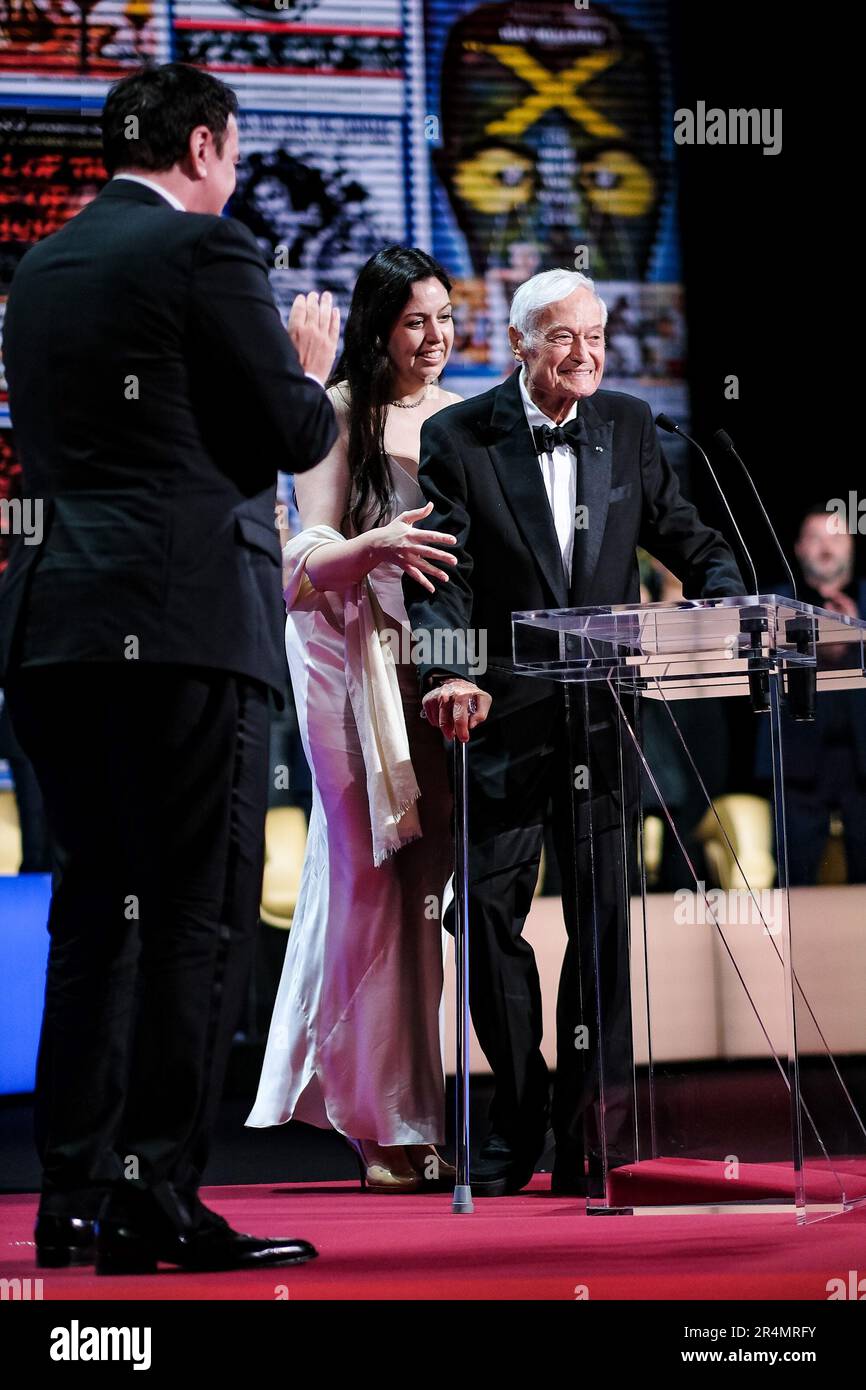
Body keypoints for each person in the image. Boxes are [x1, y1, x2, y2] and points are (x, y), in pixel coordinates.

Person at [0, 62, 339, 1273]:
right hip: (184, 627)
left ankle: (76, 1195)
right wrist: (308, 360)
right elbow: (288, 434)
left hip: (51, 629)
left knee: (96, 913)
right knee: (196, 916)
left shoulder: (38, 269)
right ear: (203, 146)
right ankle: (159, 1204)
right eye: (235, 153)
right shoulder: (208, 251)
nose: (235, 176)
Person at [404, 268, 744, 1195]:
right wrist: (451, 671)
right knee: (482, 919)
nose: (586, 352)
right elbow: (446, 581)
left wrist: (731, 597)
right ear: (518, 343)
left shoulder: (631, 425)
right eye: (563, 337)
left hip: (602, 723)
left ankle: (590, 1133)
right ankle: (517, 1119)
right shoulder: (458, 437)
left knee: (601, 932)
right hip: (498, 721)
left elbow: (682, 533)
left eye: (596, 335)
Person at [247, 246, 462, 1192]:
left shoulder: (464, 419)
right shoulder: (336, 413)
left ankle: (410, 1108)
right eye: (417, 320)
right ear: (378, 330)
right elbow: (301, 563)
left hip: (442, 666)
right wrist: (374, 544)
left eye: (447, 316)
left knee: (426, 894)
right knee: (370, 878)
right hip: (348, 660)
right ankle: (380, 1125)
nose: (438, 336)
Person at [754, 505, 866, 884]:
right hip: (796, 757)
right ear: (799, 549)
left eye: (835, 537)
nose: (825, 548)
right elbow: (750, 668)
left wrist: (856, 642)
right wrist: (810, 647)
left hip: (861, 756)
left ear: (851, 545)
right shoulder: (773, 606)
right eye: (815, 538)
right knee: (793, 880)